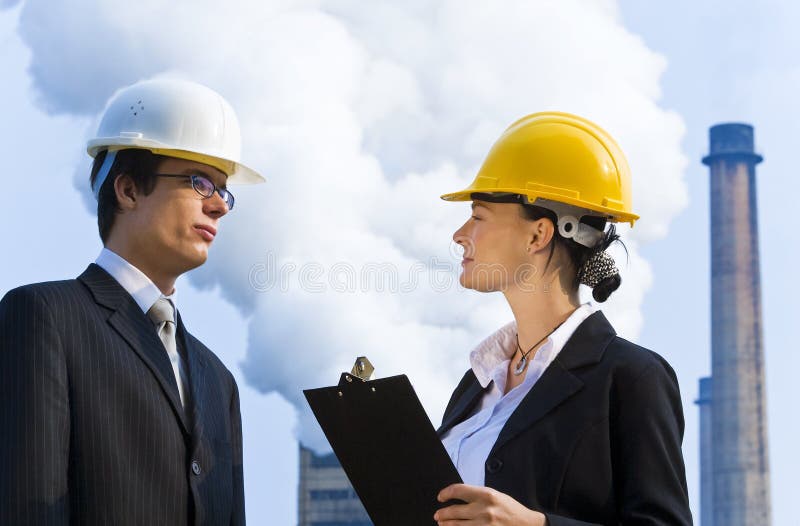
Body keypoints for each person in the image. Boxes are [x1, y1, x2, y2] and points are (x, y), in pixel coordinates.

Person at [0, 78, 264, 525]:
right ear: (128, 190)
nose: (219, 205)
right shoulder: (44, 317)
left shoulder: (219, 381)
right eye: (200, 183)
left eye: (224, 191)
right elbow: (26, 506)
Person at [433, 112, 692, 525]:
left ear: (538, 235)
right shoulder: (477, 383)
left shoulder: (631, 378)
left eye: (478, 216)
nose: (460, 234)